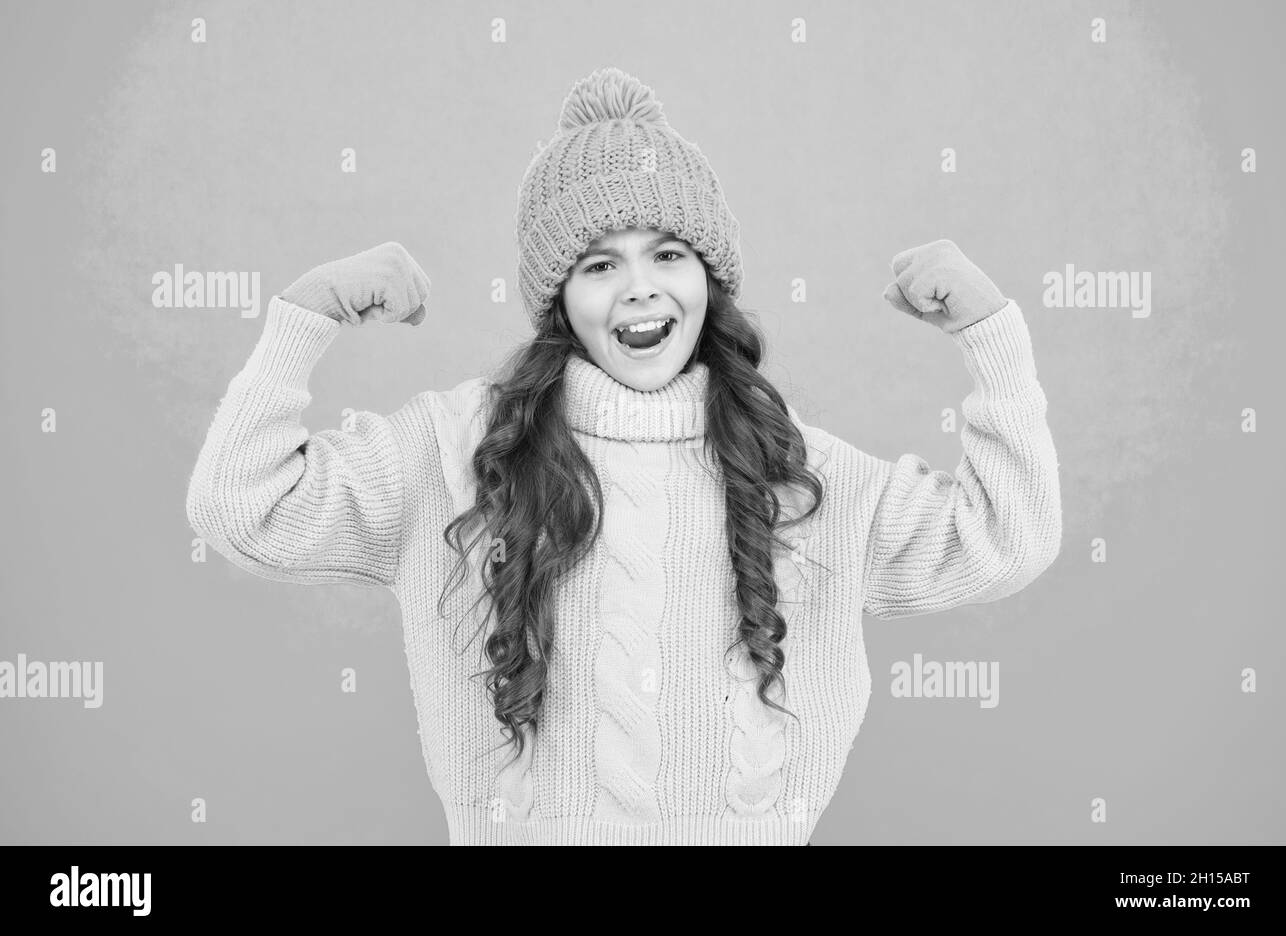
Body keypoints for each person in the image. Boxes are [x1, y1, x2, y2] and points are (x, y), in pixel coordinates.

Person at [184, 66, 1062, 846]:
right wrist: (304, 319)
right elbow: (242, 509)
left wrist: (993, 340)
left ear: (707, 281)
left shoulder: (798, 475)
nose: (640, 284)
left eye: (669, 253)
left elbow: (1007, 538)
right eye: (599, 263)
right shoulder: (455, 456)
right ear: (559, 299)